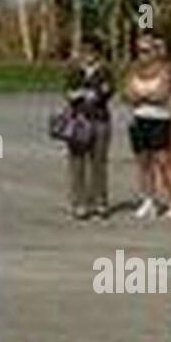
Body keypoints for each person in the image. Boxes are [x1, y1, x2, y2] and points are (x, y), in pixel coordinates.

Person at [123, 32, 171, 218]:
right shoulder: (133, 70)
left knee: (163, 162)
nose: (142, 55)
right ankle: (148, 200)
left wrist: (141, 97)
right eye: (139, 51)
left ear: (155, 51)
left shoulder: (165, 69)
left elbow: (162, 95)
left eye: (146, 51)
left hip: (160, 120)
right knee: (143, 162)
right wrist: (142, 97)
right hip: (139, 119)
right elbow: (127, 95)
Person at [63, 37, 113, 219]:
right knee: (77, 163)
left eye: (91, 51)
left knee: (99, 163)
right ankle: (79, 202)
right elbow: (68, 91)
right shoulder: (73, 69)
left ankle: (100, 201)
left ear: (98, 53)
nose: (87, 55)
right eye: (84, 51)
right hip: (78, 120)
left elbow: (107, 91)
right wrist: (81, 93)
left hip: (100, 120)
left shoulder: (105, 70)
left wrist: (91, 93)